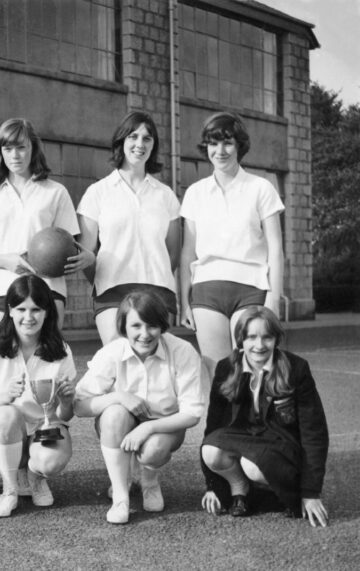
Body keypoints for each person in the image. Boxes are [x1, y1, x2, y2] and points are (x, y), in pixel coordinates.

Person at [74, 291, 206, 524]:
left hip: (166, 427)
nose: (144, 334)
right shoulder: (111, 352)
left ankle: (149, 481)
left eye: (152, 326)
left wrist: (148, 428)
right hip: (122, 424)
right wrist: (120, 396)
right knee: (114, 413)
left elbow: (192, 413)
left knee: (153, 448)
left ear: (162, 326)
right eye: (136, 325)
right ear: (124, 327)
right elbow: (80, 406)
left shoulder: (182, 351)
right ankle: (121, 497)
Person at [200, 306, 329, 527]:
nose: (259, 346)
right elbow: (213, 424)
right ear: (241, 339)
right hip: (244, 437)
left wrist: (311, 492)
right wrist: (212, 486)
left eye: (266, 337)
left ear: (276, 338)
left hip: (280, 443)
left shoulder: (296, 368)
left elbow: (314, 432)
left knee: (253, 466)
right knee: (210, 451)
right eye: (251, 337)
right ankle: (239, 488)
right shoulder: (227, 367)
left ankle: (282, 493)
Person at [180, 112, 284, 373]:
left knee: (253, 373)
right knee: (220, 378)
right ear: (207, 148)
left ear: (239, 146)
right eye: (214, 144)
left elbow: (276, 249)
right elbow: (186, 253)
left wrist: (273, 300)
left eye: (227, 142)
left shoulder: (261, 188)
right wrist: (184, 302)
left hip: (251, 289)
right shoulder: (195, 193)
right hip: (207, 292)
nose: (220, 150)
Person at [0, 117, 88, 335]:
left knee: (47, 362)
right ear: (0, 151)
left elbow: (69, 248)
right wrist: (6, 260)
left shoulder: (55, 192)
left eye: (21, 147)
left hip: (47, 289)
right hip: (0, 290)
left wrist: (85, 257)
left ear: (33, 148)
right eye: (8, 148)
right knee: (0, 362)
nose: (15, 155)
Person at [0, 275, 77, 517]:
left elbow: (64, 416)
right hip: (4, 432)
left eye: (36, 309)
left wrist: (68, 401)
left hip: (45, 429)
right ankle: (9, 490)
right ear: (10, 310)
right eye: (21, 309)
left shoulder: (60, 349)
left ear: (47, 311)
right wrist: (4, 397)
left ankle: (35, 477)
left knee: (51, 461)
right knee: (7, 413)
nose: (29, 317)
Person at [77, 111, 181, 346]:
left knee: (156, 369)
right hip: (112, 291)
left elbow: (173, 253)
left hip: (157, 292)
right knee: (117, 363)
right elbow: (86, 253)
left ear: (153, 145)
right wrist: (107, 278)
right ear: (121, 141)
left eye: (147, 138)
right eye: (133, 137)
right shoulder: (98, 193)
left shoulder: (166, 195)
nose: (139, 144)